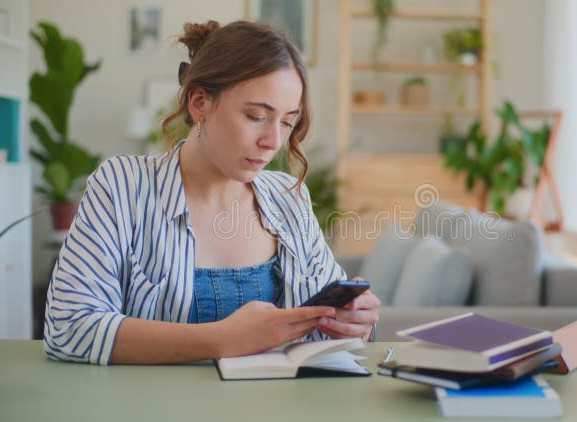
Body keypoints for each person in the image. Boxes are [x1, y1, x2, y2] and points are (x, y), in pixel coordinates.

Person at [43, 20, 380, 365]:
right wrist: (221, 339)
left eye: (286, 121)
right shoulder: (122, 185)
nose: (274, 142)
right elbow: (69, 328)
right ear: (200, 102)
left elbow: (324, 329)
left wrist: (357, 324)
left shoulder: (288, 196)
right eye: (256, 116)